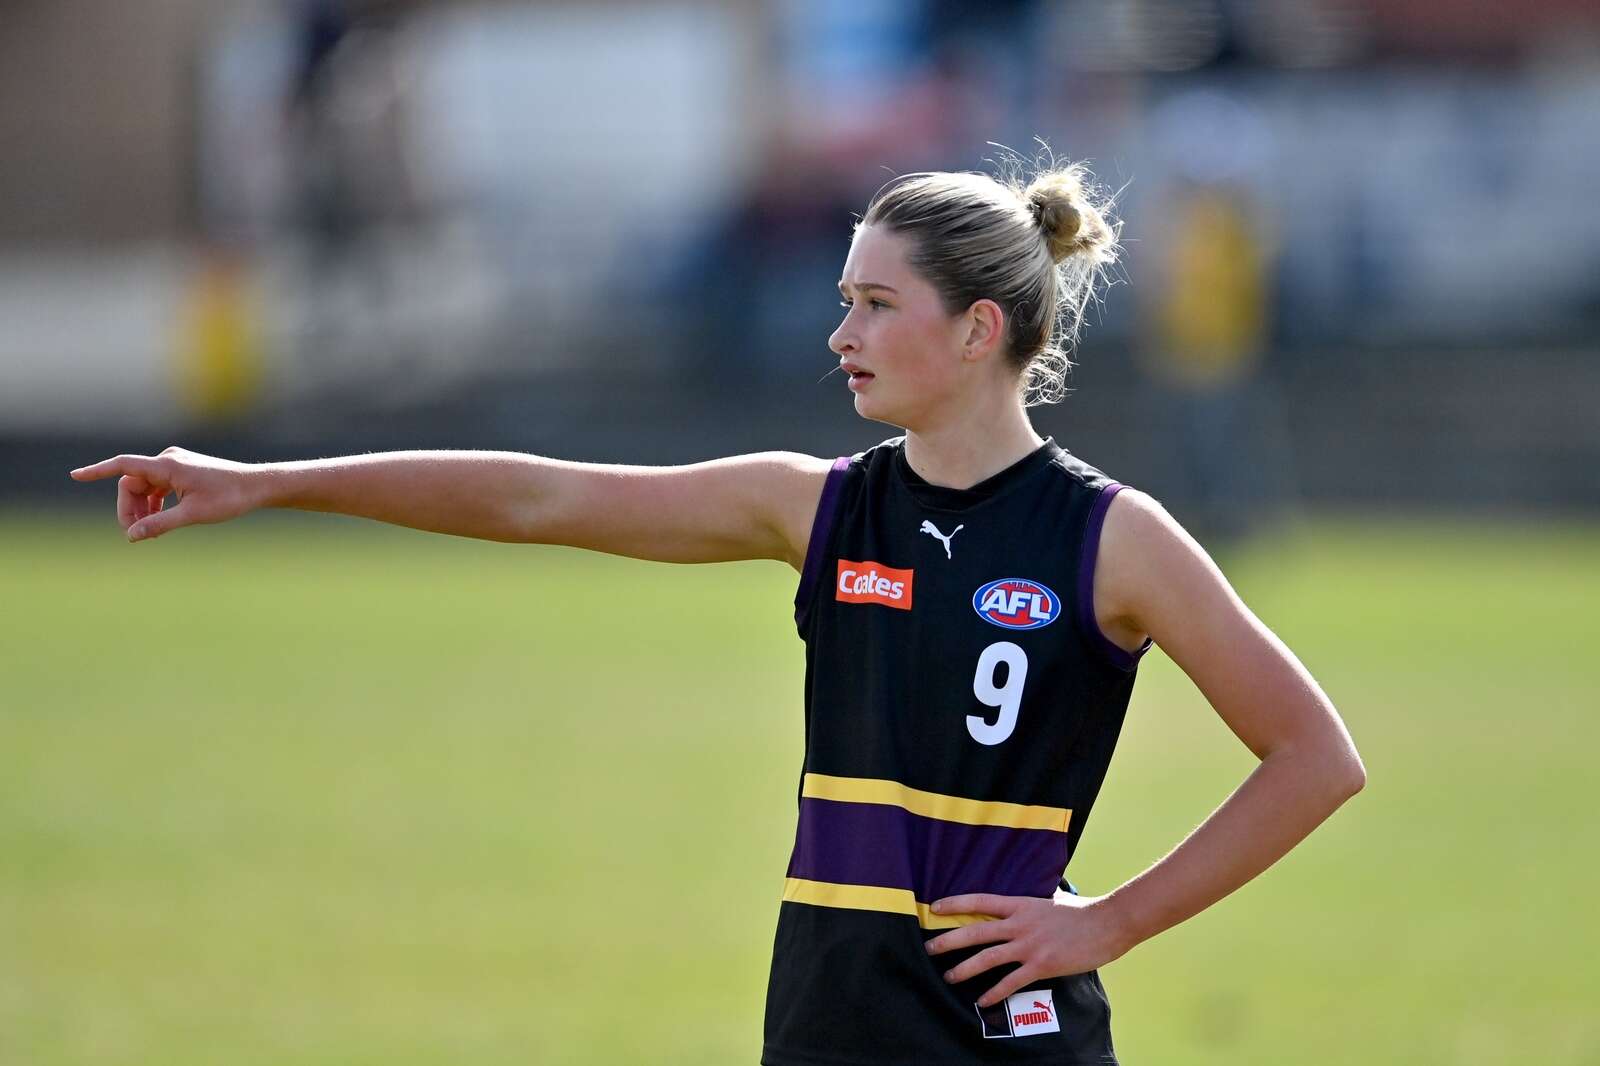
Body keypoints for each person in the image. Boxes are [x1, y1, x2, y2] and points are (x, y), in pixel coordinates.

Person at [71, 154, 1365, 1064]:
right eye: (841, 298)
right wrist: (271, 482)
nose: (839, 332)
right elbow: (540, 500)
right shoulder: (811, 506)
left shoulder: (1113, 537)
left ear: (977, 330)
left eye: (873, 303)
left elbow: (1316, 757)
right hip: (821, 1021)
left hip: (1002, 1035)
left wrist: (1111, 919)